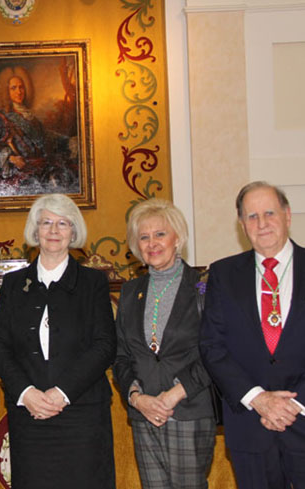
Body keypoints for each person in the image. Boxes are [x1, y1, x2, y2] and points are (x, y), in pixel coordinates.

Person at [200, 182, 305, 489]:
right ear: (242, 225)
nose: (262, 223)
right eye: (252, 216)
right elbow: (212, 345)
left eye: (269, 213)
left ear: (287, 215)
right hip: (252, 428)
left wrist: (293, 406)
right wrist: (258, 399)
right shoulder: (222, 275)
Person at [0, 193, 116, 489]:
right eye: (46, 222)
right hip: (29, 416)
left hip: (82, 416)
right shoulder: (13, 285)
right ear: (35, 231)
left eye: (63, 223)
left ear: (74, 232)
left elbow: (104, 346)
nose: (54, 230)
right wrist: (26, 393)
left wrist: (61, 393)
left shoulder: (93, 283)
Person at [113, 198, 216, 489]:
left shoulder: (204, 287)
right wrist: (136, 397)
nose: (152, 243)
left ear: (178, 238)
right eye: (143, 237)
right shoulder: (132, 291)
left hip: (188, 410)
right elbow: (120, 356)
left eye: (160, 234)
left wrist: (173, 395)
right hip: (144, 414)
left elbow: (215, 353)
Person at [0, 66, 78, 196]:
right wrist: (10, 158)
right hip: (19, 177)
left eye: (21, 87)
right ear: (5, 91)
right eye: (13, 88)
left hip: (41, 170)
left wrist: (69, 141)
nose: (19, 92)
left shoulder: (29, 116)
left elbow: (46, 136)